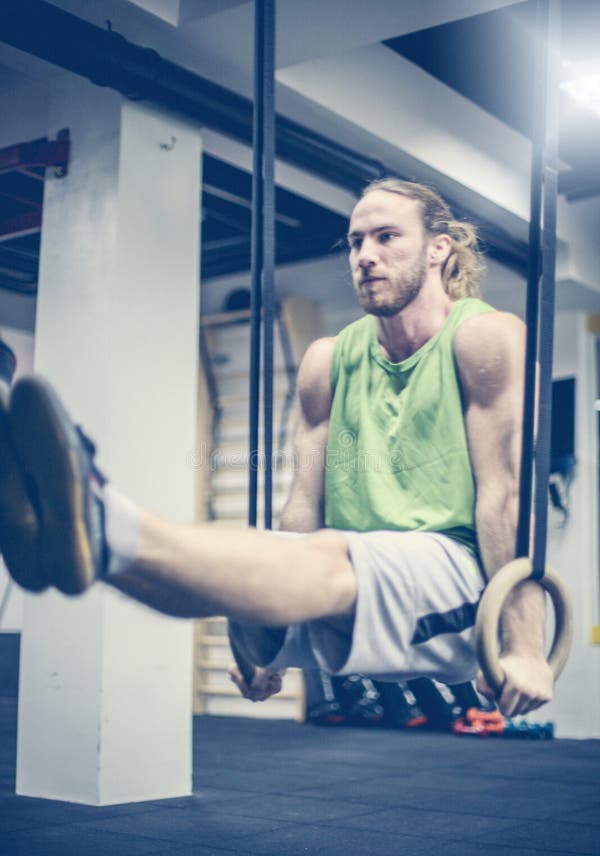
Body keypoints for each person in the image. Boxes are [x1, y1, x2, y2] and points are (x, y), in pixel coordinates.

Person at [0, 178, 553, 717]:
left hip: (457, 574)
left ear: (438, 250)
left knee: (333, 561)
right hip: (346, 565)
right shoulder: (328, 360)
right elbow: (302, 503)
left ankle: (105, 518)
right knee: (242, 585)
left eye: (387, 237)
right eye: (357, 241)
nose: (365, 255)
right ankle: (91, 544)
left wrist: (523, 644)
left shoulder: (484, 338)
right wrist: (264, 633)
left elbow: (506, 496)